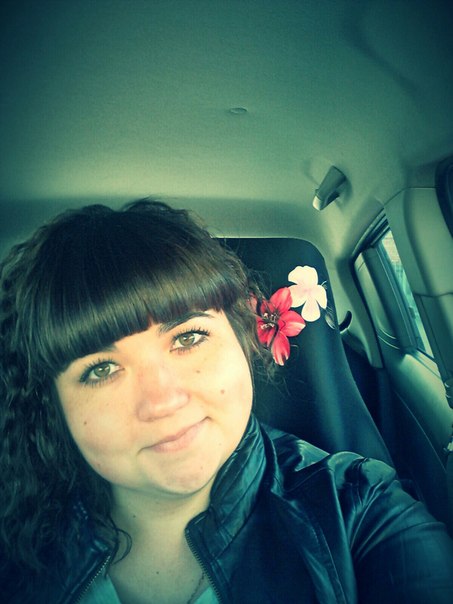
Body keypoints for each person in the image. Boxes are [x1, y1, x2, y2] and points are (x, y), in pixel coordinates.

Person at [0, 200, 452, 604]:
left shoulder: (360, 510)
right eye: (101, 369)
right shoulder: (15, 541)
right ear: (55, 405)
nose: (163, 401)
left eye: (188, 338)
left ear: (243, 340)